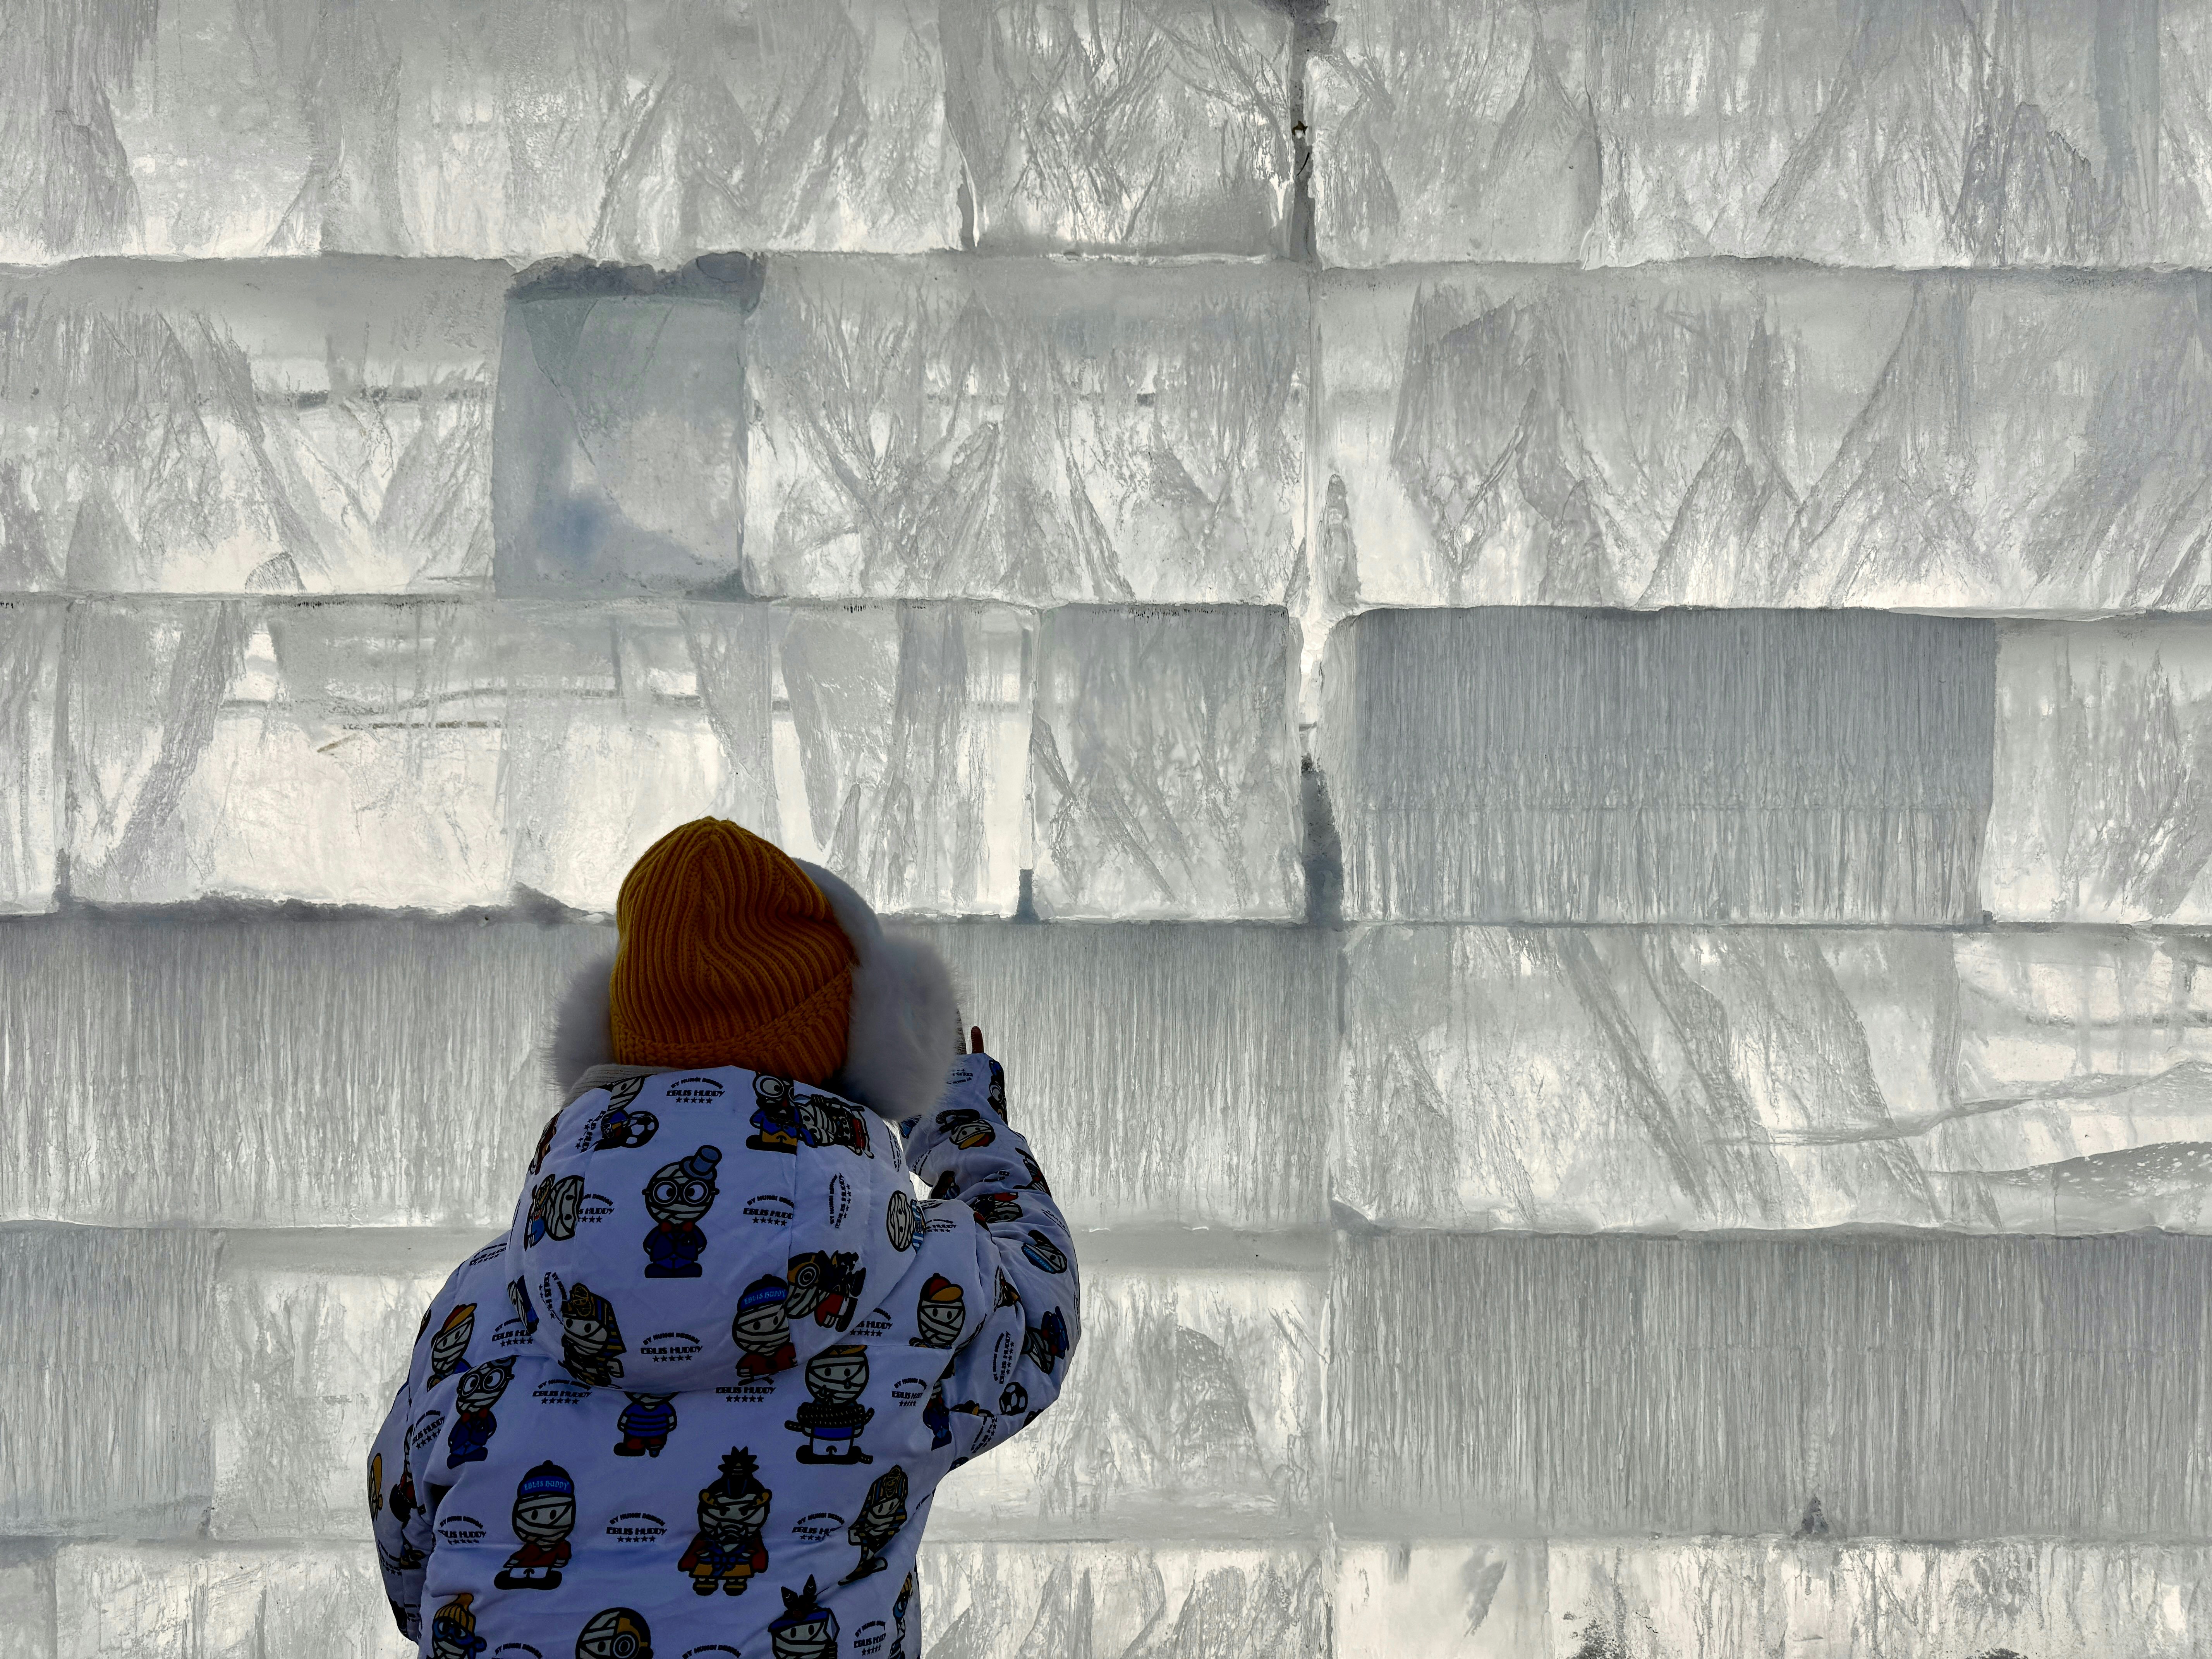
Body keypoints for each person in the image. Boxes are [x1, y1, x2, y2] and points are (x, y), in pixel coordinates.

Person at [369, 819, 1080, 1655]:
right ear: (861, 1053)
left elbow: (409, 1550)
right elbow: (1042, 1306)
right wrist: (957, 1109)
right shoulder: (924, 1278)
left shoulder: (482, 1300)